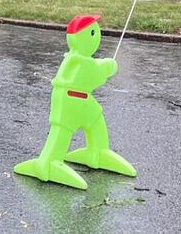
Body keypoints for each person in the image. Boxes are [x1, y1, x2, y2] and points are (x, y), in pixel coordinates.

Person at [14, 14, 136, 189]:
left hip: (82, 100)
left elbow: (93, 70)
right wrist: (110, 66)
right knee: (61, 133)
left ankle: (97, 151)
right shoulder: (81, 62)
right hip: (71, 101)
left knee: (96, 122)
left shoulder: (73, 59)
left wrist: (105, 66)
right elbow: (97, 73)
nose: (97, 36)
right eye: (93, 32)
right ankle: (48, 163)